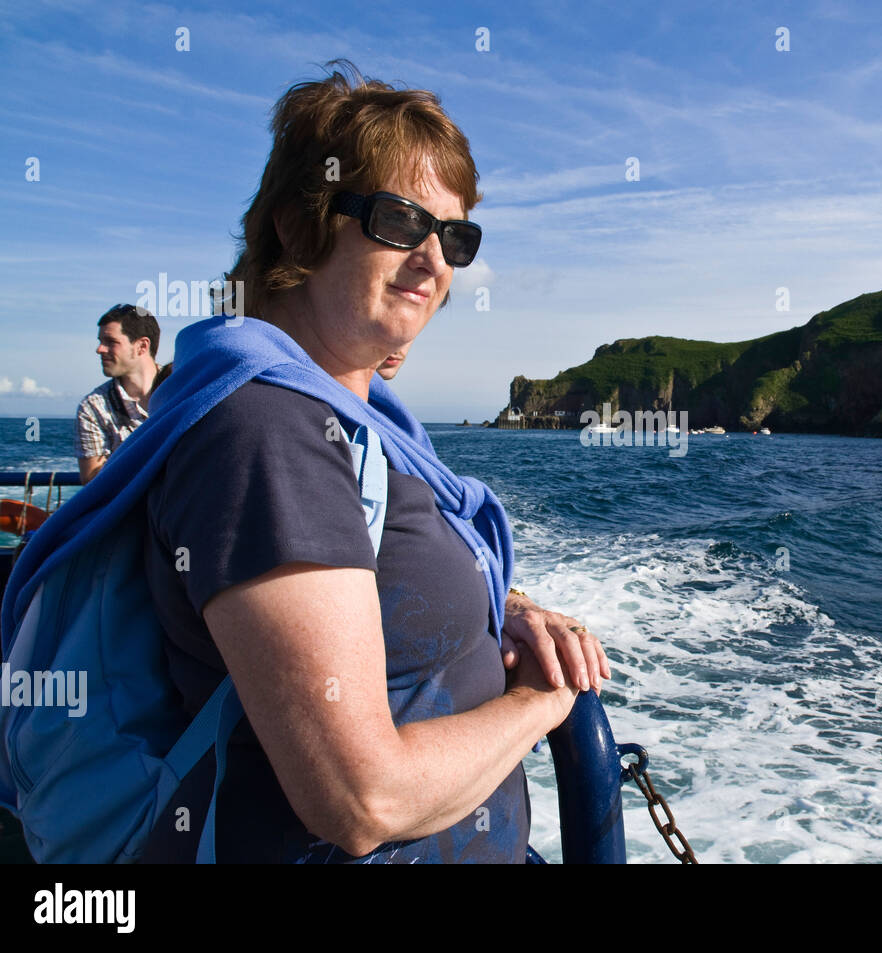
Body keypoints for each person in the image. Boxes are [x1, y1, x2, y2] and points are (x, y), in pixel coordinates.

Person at [138, 61, 609, 863]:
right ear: (297, 224)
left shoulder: (354, 423)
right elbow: (360, 796)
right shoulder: (266, 433)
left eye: (455, 236)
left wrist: (508, 608)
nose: (435, 259)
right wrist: (544, 700)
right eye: (399, 219)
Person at [74, 304, 161, 483]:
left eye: (110, 342)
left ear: (142, 346)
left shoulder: (184, 388)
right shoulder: (93, 407)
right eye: (100, 341)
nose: (99, 349)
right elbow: (91, 480)